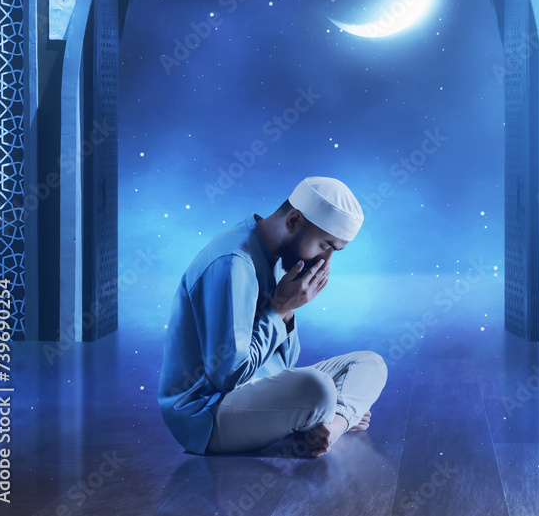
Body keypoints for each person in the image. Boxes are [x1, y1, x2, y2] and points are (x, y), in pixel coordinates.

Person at [157, 176, 387, 457]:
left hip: (252, 392)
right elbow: (227, 378)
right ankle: (331, 416)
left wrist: (287, 310)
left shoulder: (275, 255)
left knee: (370, 363)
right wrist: (280, 309)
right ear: (293, 220)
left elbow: (284, 365)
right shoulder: (233, 263)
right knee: (319, 388)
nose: (326, 262)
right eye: (326, 245)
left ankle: (333, 425)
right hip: (209, 416)